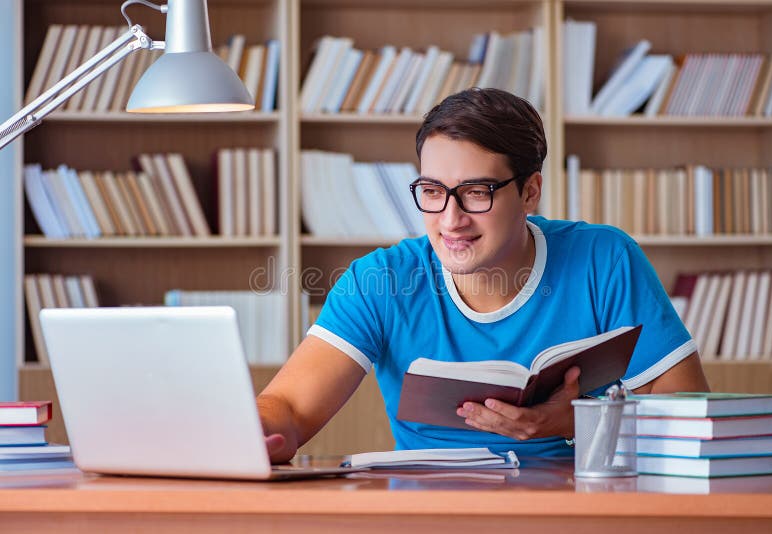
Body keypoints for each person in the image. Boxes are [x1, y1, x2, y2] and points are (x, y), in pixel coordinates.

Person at [257, 88, 709, 462]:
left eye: (476, 193)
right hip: (429, 514)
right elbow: (291, 408)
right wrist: (253, 428)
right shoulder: (381, 280)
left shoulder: (604, 259)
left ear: (530, 192)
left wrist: (574, 420)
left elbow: (688, 412)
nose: (450, 220)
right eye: (432, 192)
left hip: (571, 510)